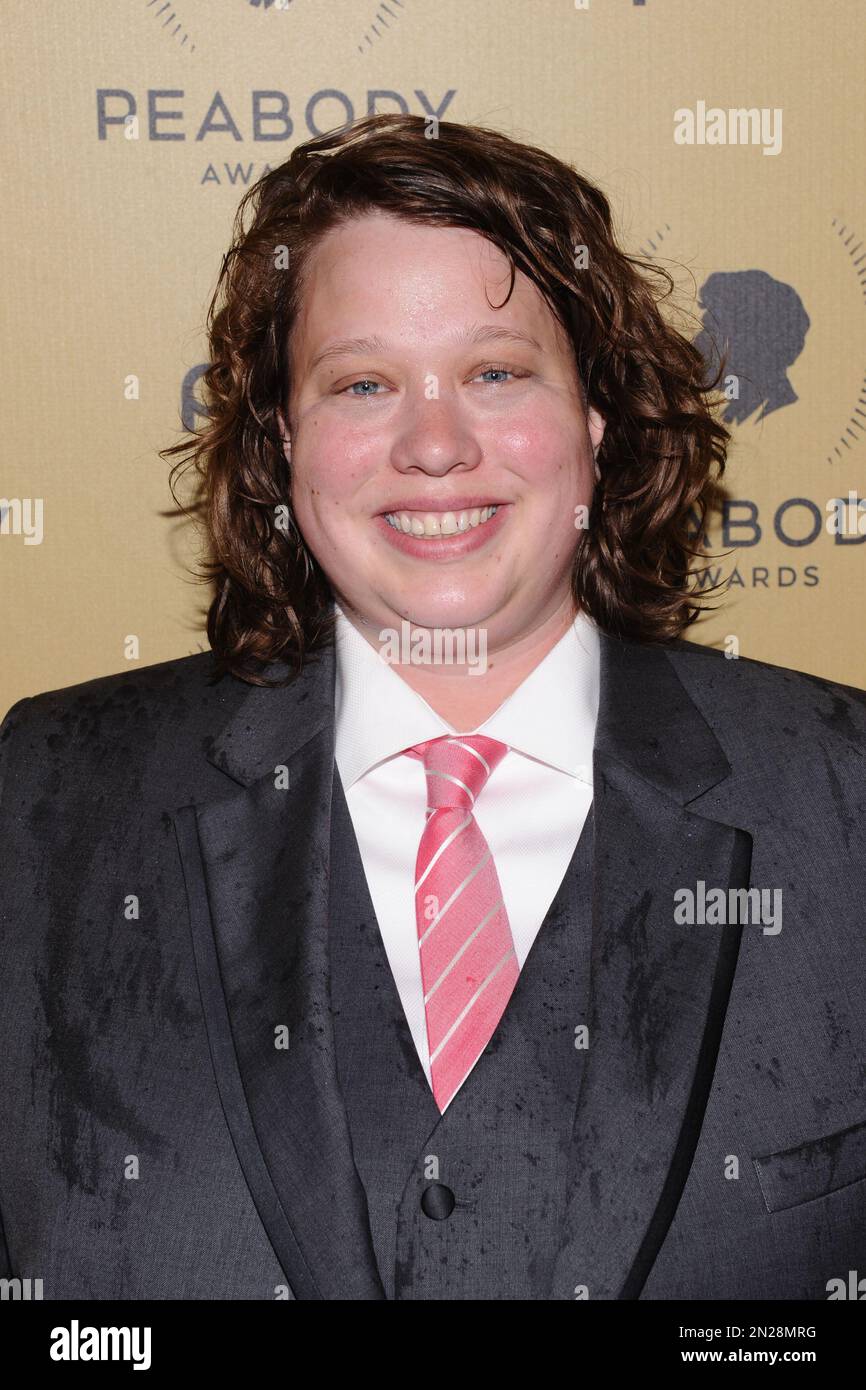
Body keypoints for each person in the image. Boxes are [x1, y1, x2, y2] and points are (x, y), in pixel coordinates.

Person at [0, 113, 864, 1302]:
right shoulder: (47, 797)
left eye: (496, 371)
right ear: (283, 446)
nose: (435, 443)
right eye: (362, 383)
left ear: (595, 426)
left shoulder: (843, 791)